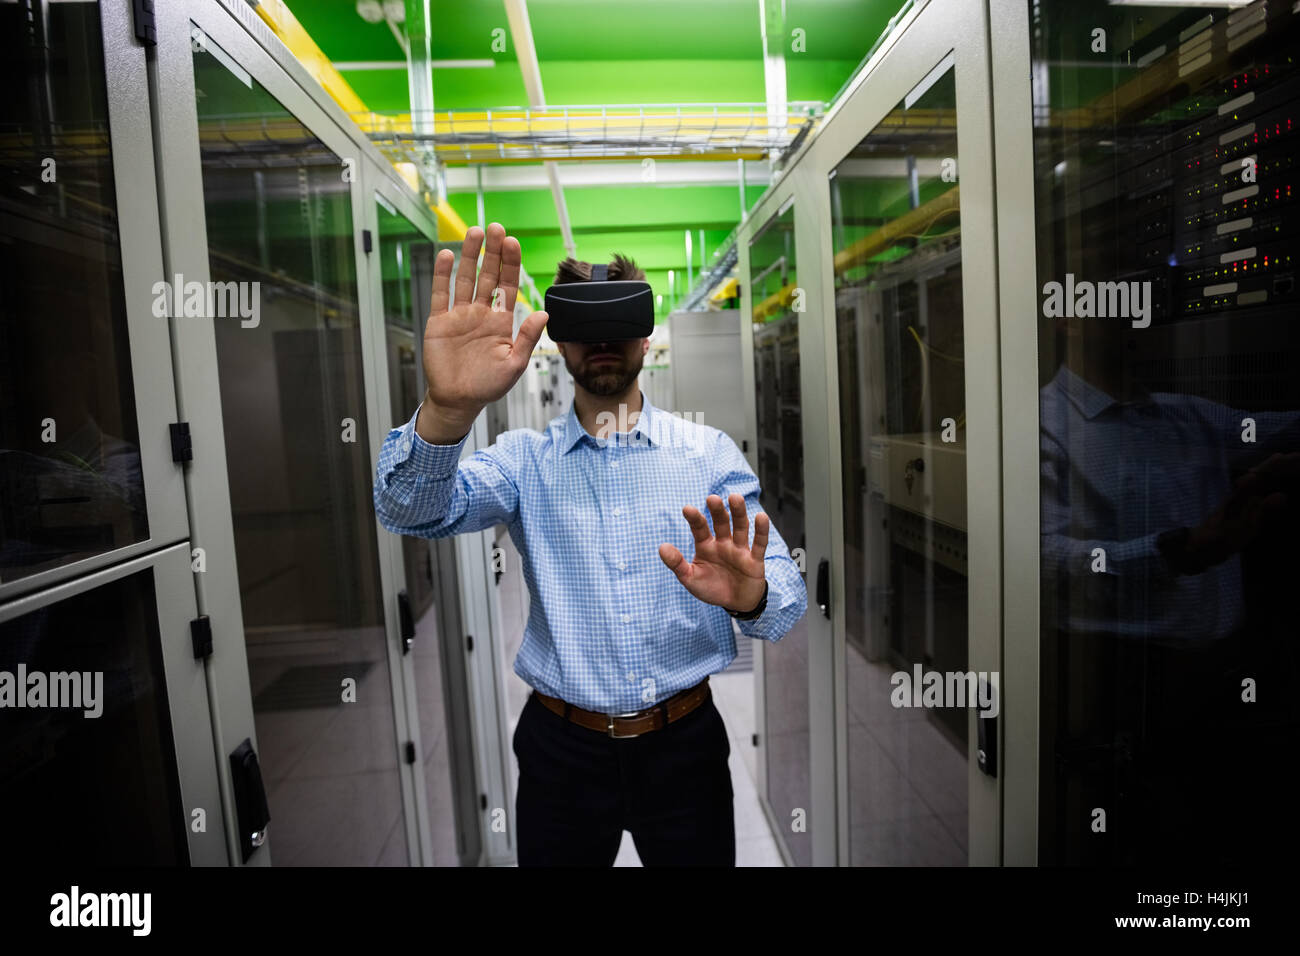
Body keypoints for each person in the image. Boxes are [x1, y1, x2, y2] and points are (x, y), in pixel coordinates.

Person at [373, 223, 807, 866]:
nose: (602, 343)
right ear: (556, 338)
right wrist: (447, 412)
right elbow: (408, 509)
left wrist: (753, 596)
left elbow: (786, 596)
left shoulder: (706, 453)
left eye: (621, 322)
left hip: (684, 745)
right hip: (561, 752)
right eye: (583, 326)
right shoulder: (523, 462)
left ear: (647, 333)